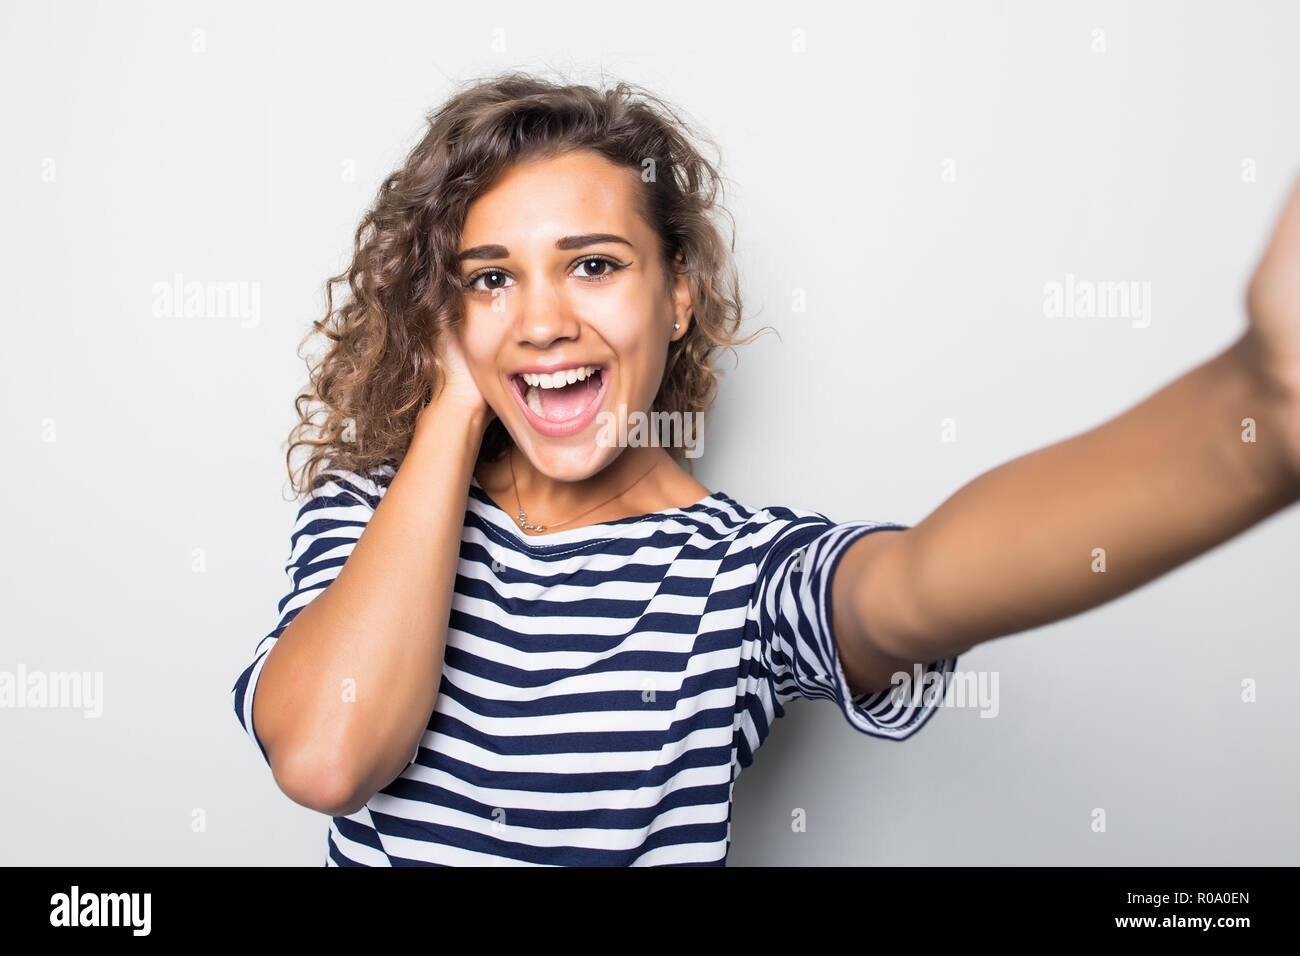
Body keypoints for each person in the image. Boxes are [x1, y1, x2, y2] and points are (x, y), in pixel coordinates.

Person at [231, 70, 1300, 866]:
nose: (545, 319)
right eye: (490, 277)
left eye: (592, 265)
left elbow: (917, 584)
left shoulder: (737, 570)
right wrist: (457, 398)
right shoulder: (373, 515)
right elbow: (328, 757)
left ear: (678, 292)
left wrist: (1257, 412)